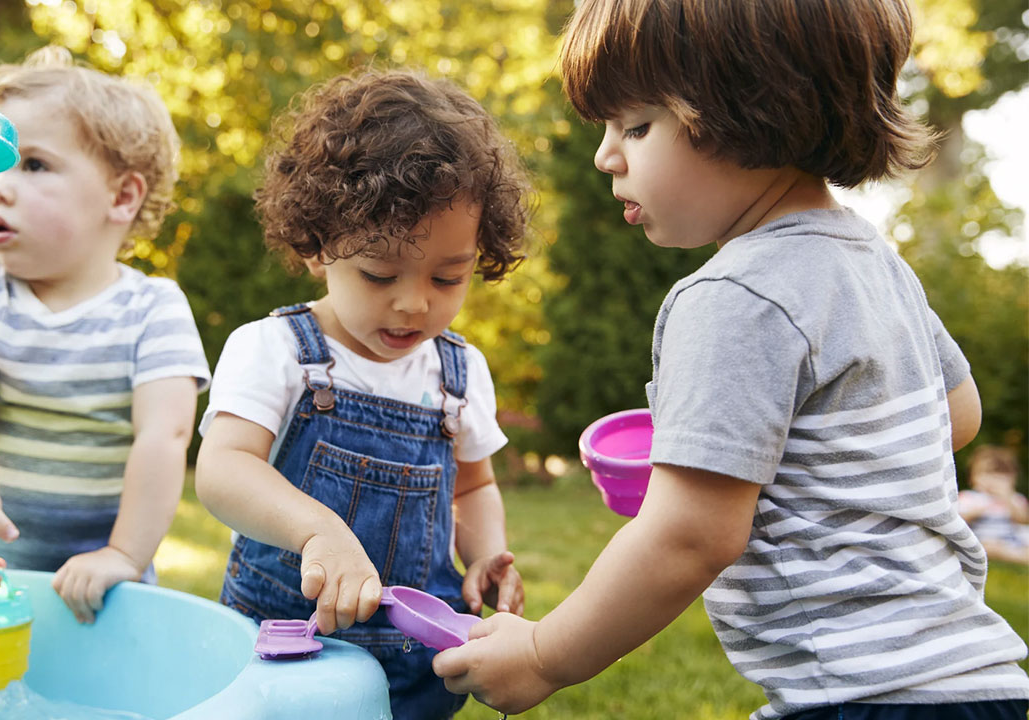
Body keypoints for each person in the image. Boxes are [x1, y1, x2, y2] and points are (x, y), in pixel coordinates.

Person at [433, 1, 1029, 718]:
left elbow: (688, 538)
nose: (605, 155)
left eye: (637, 126)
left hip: (862, 694)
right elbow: (957, 417)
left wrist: (541, 655)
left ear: (748, 110)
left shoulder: (732, 294)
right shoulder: (874, 260)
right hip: (974, 680)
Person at [194, 69, 529, 720]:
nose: (413, 302)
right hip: (286, 651)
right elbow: (224, 469)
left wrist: (484, 553)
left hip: (413, 660)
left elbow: (471, 486)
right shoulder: (277, 350)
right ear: (320, 247)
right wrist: (319, 532)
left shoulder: (459, 373)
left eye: (448, 276)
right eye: (379, 274)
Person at [0, 47, 210, 624]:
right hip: (1, 566)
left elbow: (164, 434)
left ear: (122, 197)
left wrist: (123, 554)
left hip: (108, 584)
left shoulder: (152, 308)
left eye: (32, 165)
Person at [958, 445, 1029, 565]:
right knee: (988, 547)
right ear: (972, 478)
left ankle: (1015, 555)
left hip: (1012, 540)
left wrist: (1008, 498)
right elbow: (958, 520)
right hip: (984, 538)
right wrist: (977, 511)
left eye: (1000, 476)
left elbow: (1023, 519)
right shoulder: (970, 497)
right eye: (987, 474)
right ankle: (1017, 557)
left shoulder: (1015, 499)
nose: (993, 480)